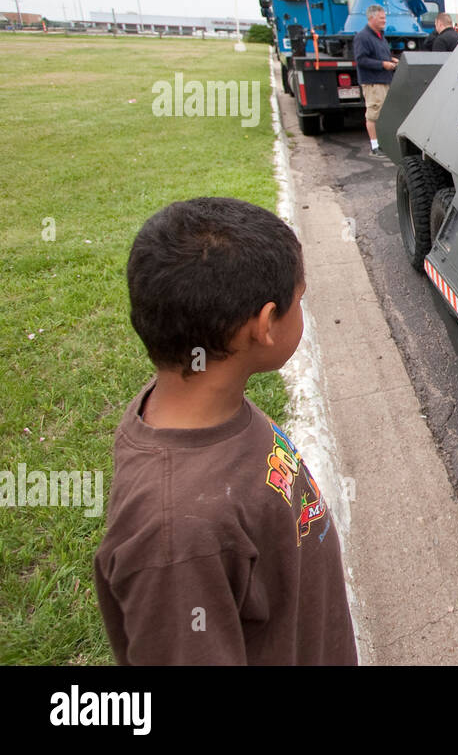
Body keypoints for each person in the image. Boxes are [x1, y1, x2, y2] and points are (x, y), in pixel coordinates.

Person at [94, 197, 357, 665]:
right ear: (263, 326)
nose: (303, 309)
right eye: (300, 300)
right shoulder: (175, 540)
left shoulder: (204, 403)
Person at [352, 4, 398, 155]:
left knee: (385, 113)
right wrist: (382, 64)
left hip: (385, 80)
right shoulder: (362, 37)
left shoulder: (380, 37)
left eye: (384, 18)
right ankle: (375, 146)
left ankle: (384, 143)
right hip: (373, 82)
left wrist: (391, 59)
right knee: (374, 114)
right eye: (381, 18)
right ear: (371, 18)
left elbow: (378, 55)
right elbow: (361, 59)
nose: (384, 21)